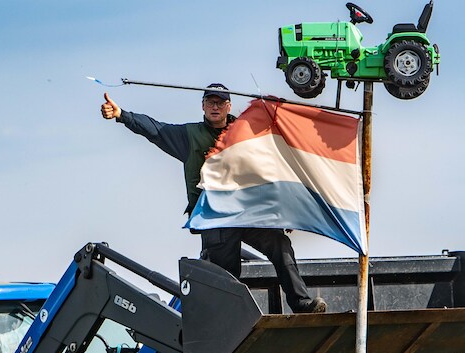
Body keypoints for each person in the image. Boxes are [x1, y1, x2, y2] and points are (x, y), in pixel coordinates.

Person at [100, 84, 326, 314]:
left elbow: (275, 169)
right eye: (210, 102)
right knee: (227, 273)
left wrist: (285, 212)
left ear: (229, 106)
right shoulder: (189, 136)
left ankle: (301, 304)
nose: (215, 107)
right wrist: (122, 115)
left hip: (249, 215)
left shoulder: (248, 133)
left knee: (279, 243)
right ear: (203, 106)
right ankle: (230, 321)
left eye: (220, 102)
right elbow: (155, 129)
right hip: (215, 218)